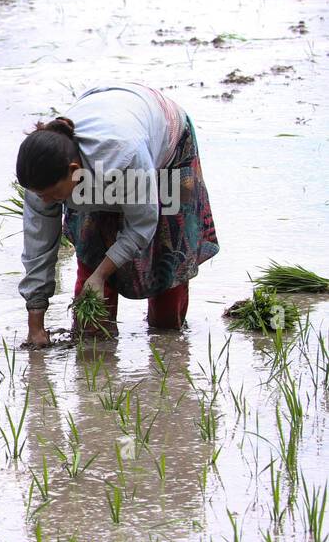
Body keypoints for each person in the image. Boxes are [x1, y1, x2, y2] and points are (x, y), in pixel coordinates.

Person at [16, 83, 218, 346]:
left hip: (166, 142)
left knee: (168, 253)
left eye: (53, 194)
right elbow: (38, 248)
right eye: (39, 195)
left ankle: (168, 347)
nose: (46, 202)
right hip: (110, 133)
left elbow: (141, 226)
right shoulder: (41, 179)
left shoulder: (124, 155)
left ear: (74, 169)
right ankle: (94, 340)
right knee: (92, 246)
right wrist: (35, 324)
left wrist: (100, 275)